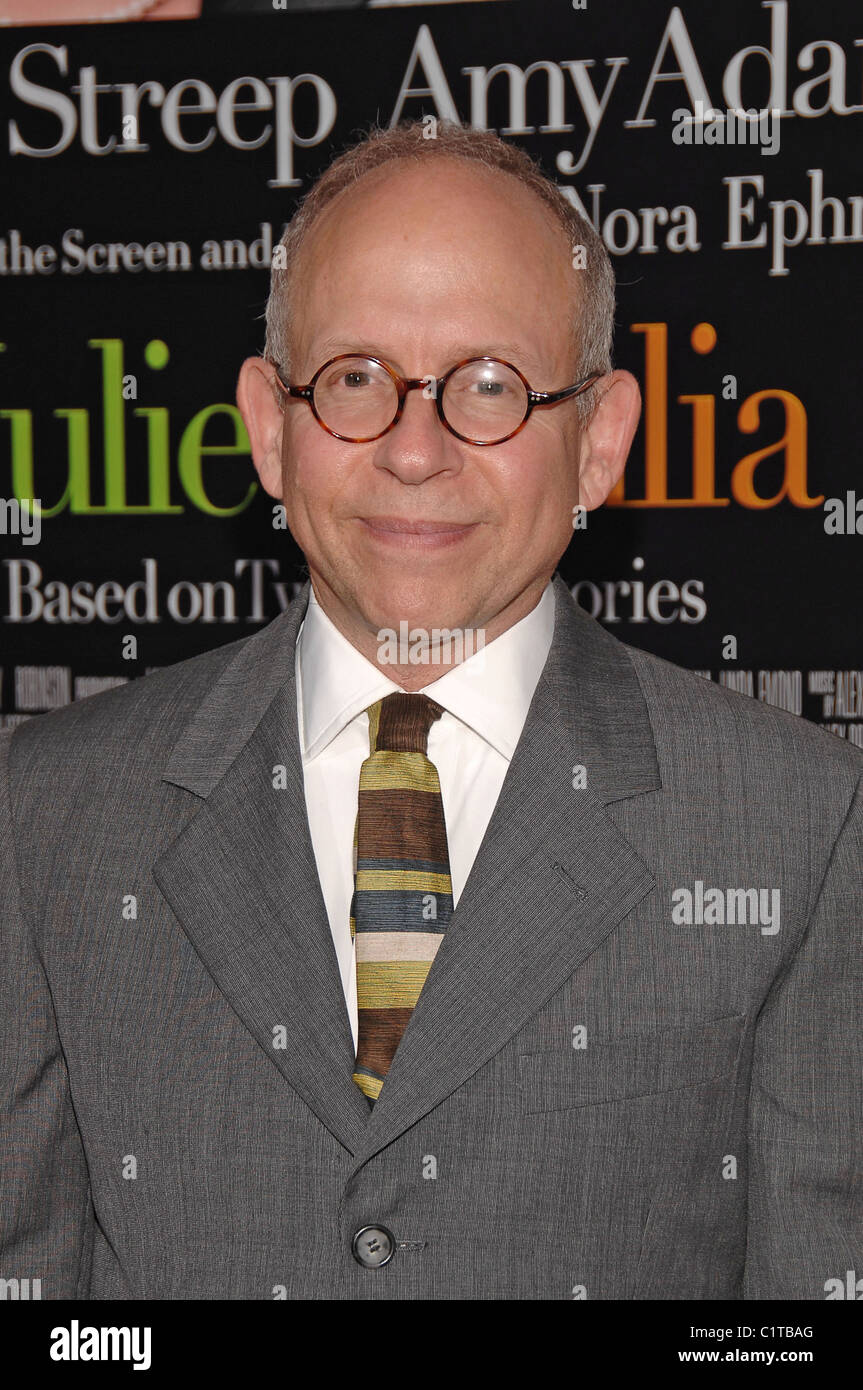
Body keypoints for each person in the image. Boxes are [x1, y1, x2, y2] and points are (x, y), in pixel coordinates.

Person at [1, 121, 860, 1301]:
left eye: (489, 386)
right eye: (355, 376)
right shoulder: (45, 810)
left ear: (599, 441)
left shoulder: (796, 827)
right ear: (269, 423)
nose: (414, 449)